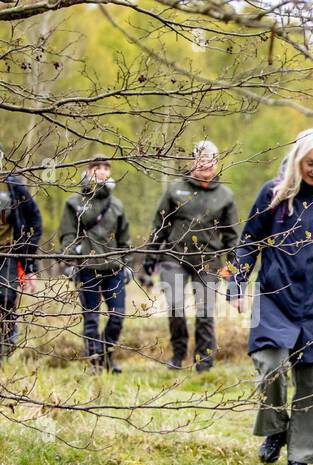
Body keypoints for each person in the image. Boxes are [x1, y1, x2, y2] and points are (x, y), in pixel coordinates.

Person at [231, 128, 313, 465]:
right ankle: (274, 428)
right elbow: (248, 242)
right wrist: (237, 285)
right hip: (274, 297)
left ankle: (300, 453)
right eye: (310, 164)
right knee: (270, 364)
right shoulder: (273, 193)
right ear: (297, 160)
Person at [142, 140, 238, 371]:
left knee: (205, 313)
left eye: (210, 158)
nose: (205, 163)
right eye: (201, 158)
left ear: (217, 163)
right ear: (193, 161)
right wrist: (150, 256)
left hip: (209, 261)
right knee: (175, 306)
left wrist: (234, 270)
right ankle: (178, 354)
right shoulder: (176, 189)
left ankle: (204, 361)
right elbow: (160, 225)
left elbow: (232, 236)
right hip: (174, 258)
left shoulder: (225, 195)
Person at [59, 155, 130, 373]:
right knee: (91, 318)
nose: (101, 171)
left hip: (113, 269)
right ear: (88, 171)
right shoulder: (74, 203)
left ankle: (107, 356)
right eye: (96, 167)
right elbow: (68, 235)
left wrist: (125, 264)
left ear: (109, 173)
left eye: (105, 168)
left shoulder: (116, 205)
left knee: (117, 316)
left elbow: (124, 239)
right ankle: (95, 363)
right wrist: (70, 262)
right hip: (87, 268)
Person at [0, 148, 43, 360]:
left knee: (6, 299)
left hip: (7, 254)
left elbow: (35, 219)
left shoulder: (14, 185)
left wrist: (28, 253)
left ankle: (6, 345)